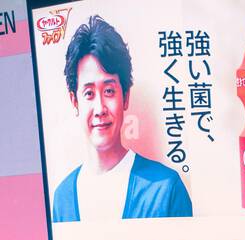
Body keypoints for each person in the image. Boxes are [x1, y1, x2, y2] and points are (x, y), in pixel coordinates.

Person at [52, 15, 193, 223]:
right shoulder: (62, 198)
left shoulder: (166, 188)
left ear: (125, 97)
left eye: (109, 91)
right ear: (74, 101)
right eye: (89, 94)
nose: (99, 109)